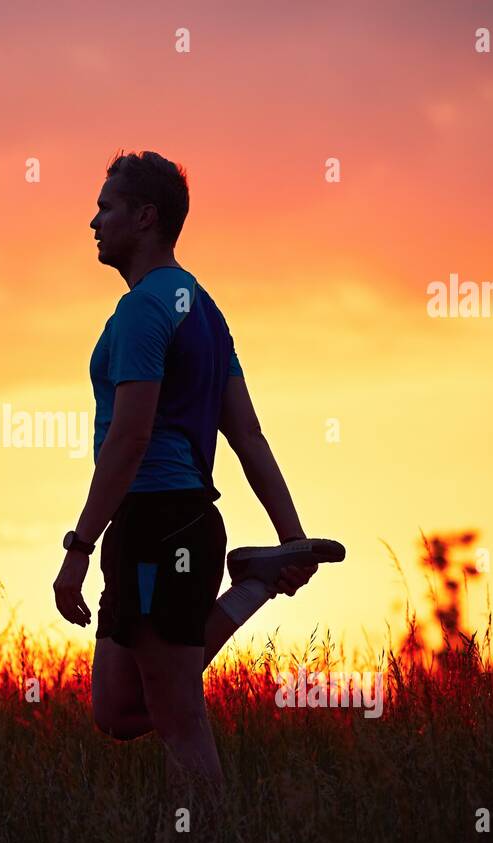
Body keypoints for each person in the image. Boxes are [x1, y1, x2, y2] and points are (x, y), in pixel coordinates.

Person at [53, 149, 343, 804]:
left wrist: (78, 547)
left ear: (145, 216)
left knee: (180, 719)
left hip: (161, 522)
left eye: (105, 208)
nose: (93, 221)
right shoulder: (204, 310)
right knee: (119, 712)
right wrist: (291, 540)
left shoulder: (144, 313)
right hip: (160, 523)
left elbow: (128, 439)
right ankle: (256, 584)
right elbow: (248, 437)